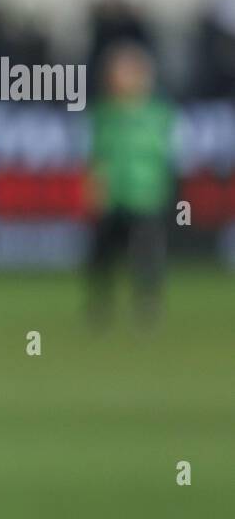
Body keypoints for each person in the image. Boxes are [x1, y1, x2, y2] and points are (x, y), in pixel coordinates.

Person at [86, 41, 174, 327]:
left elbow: (168, 154)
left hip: (145, 195)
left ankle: (147, 303)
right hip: (112, 196)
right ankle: (101, 305)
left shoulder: (158, 114)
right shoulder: (104, 114)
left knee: (147, 254)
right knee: (103, 254)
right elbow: (96, 155)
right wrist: (95, 186)